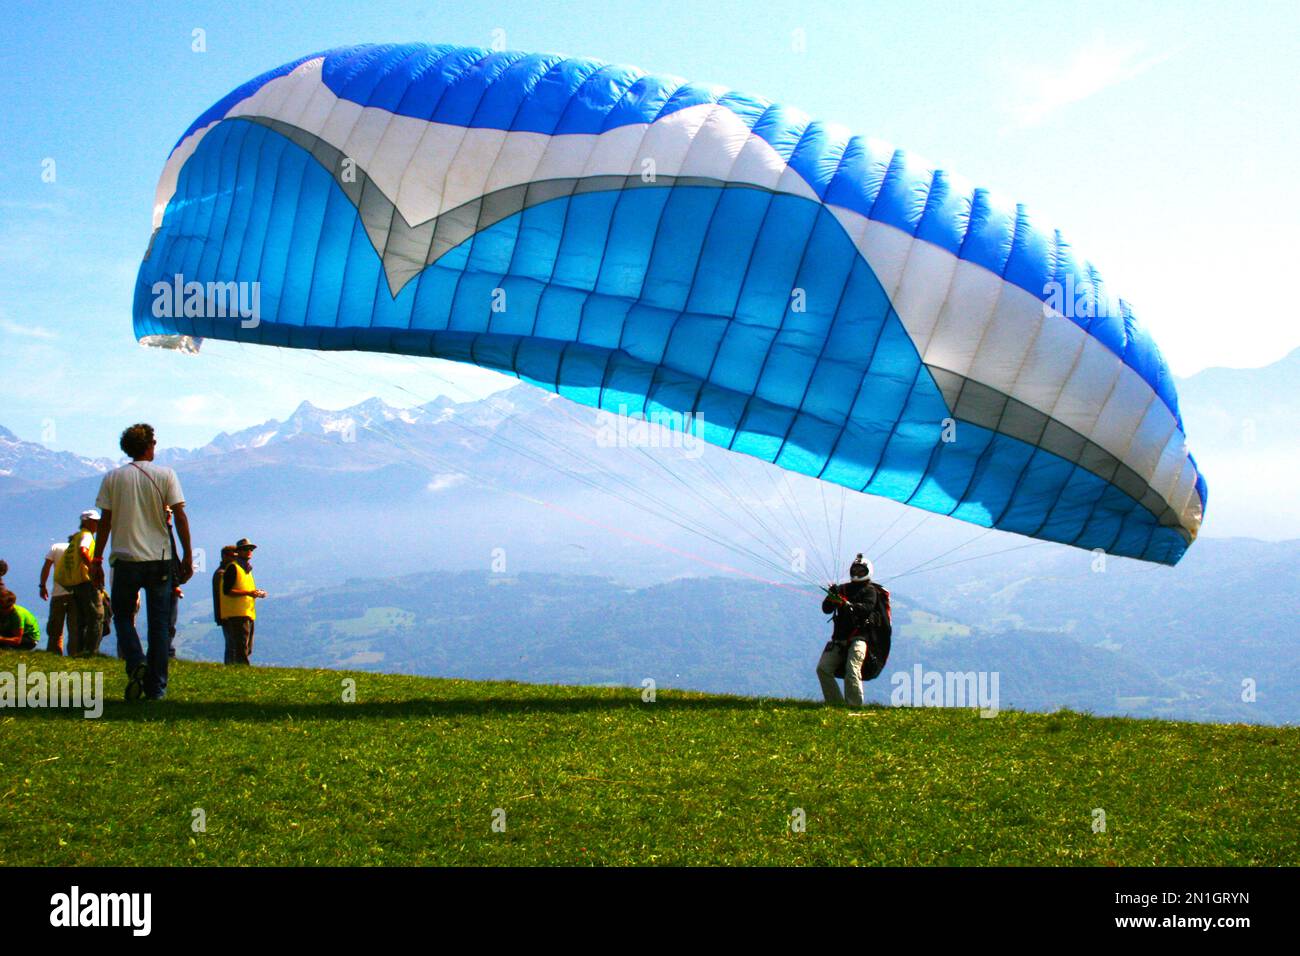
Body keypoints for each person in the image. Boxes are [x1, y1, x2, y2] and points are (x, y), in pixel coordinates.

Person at [93, 423, 194, 701]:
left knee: (123, 616)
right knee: (159, 625)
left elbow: (105, 523)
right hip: (159, 559)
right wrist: (186, 555)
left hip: (125, 560)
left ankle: (136, 659)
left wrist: (97, 558)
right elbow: (180, 517)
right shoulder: (166, 475)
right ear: (150, 446)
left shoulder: (113, 478)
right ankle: (156, 687)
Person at [816, 554, 891, 708]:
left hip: (860, 638)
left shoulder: (870, 590)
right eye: (855, 569)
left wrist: (846, 604)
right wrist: (832, 596)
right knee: (823, 669)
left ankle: (854, 707)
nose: (857, 572)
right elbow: (826, 609)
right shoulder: (843, 589)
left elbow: (866, 609)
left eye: (861, 570)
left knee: (852, 669)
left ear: (868, 572)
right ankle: (835, 705)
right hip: (839, 639)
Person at [52, 509, 104, 657]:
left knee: (81, 617)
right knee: (96, 615)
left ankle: (79, 650)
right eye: (95, 521)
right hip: (86, 582)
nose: (97, 524)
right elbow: (83, 551)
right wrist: (94, 568)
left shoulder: (76, 537)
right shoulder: (86, 536)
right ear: (86, 521)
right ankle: (91, 652)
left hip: (75, 583)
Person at [220, 539, 265, 665]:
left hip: (247, 611)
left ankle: (240, 668)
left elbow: (244, 589)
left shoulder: (247, 569)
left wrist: (255, 593)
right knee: (240, 646)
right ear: (238, 552)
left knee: (247, 646)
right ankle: (241, 669)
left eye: (251, 549)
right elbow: (227, 590)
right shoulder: (233, 568)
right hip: (236, 613)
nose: (249, 551)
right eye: (246, 549)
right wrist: (249, 593)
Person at [40, 540, 75, 654]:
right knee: (75, 628)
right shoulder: (82, 547)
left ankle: (54, 652)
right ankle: (75, 654)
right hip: (76, 594)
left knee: (55, 628)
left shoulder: (56, 547)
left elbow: (47, 567)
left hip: (58, 593)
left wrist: (43, 585)